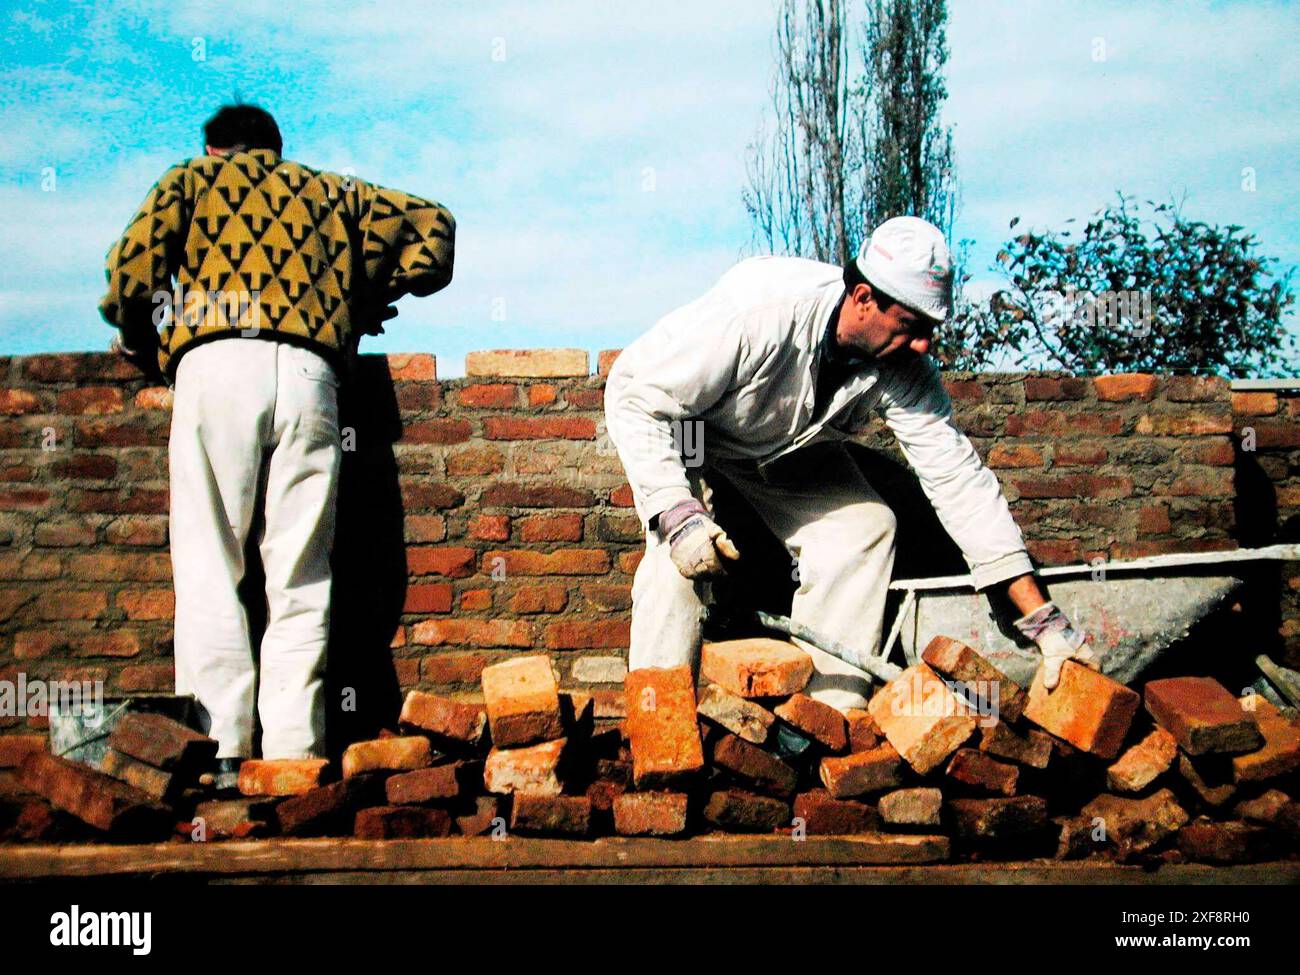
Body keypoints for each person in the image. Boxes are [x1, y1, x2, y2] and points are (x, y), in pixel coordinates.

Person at [604, 216, 1096, 713]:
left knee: (865, 528)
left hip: (779, 443)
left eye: (930, 329)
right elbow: (638, 398)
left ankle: (825, 721)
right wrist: (678, 514)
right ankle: (658, 722)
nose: (924, 344)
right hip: (693, 427)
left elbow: (959, 479)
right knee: (682, 561)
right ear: (863, 298)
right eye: (912, 326)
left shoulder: (904, 367)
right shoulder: (760, 311)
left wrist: (1041, 619)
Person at [99, 104, 455, 786]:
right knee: (298, 575)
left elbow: (132, 275)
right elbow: (434, 231)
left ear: (213, 149)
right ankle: (293, 756)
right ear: (275, 148)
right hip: (309, 376)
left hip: (215, 367)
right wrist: (361, 292)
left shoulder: (191, 182)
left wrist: (144, 334)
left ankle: (221, 754)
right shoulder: (331, 191)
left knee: (211, 563)